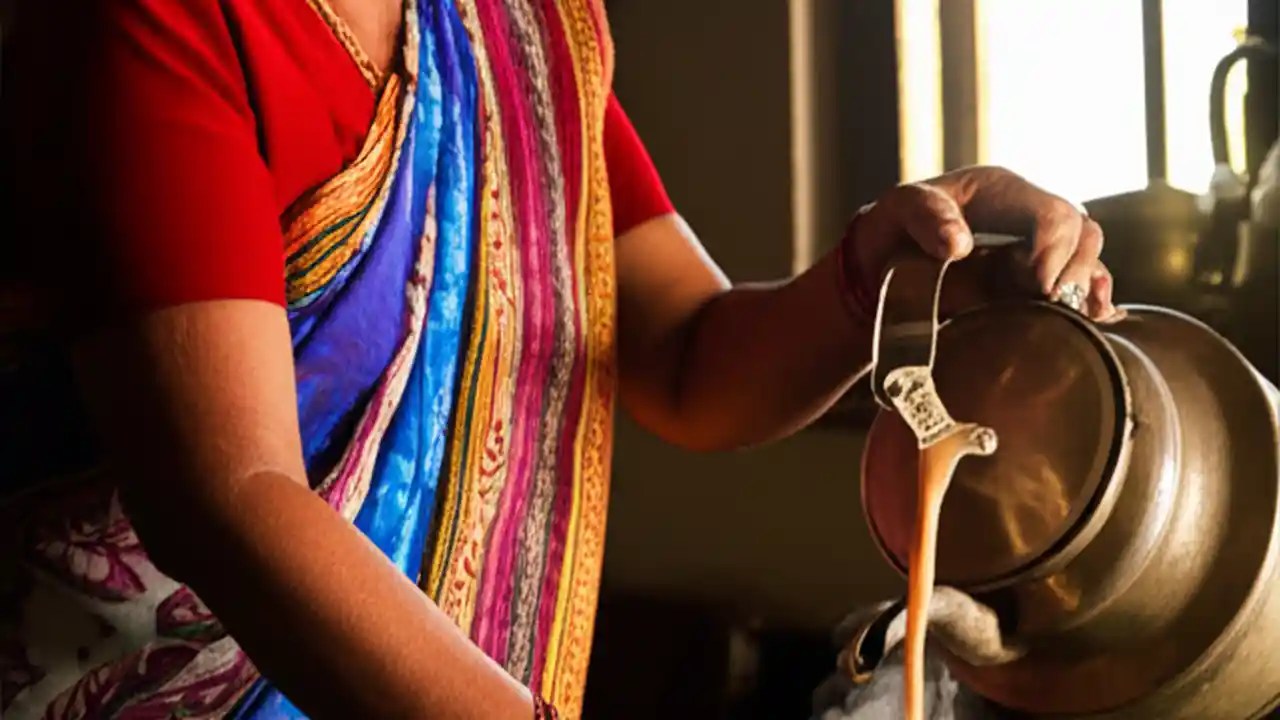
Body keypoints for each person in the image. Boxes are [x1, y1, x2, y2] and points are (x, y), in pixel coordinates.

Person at [0, 0, 1118, 717]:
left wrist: (890, 276)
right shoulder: (155, 22)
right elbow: (227, 498)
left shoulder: (509, 38)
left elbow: (683, 359)